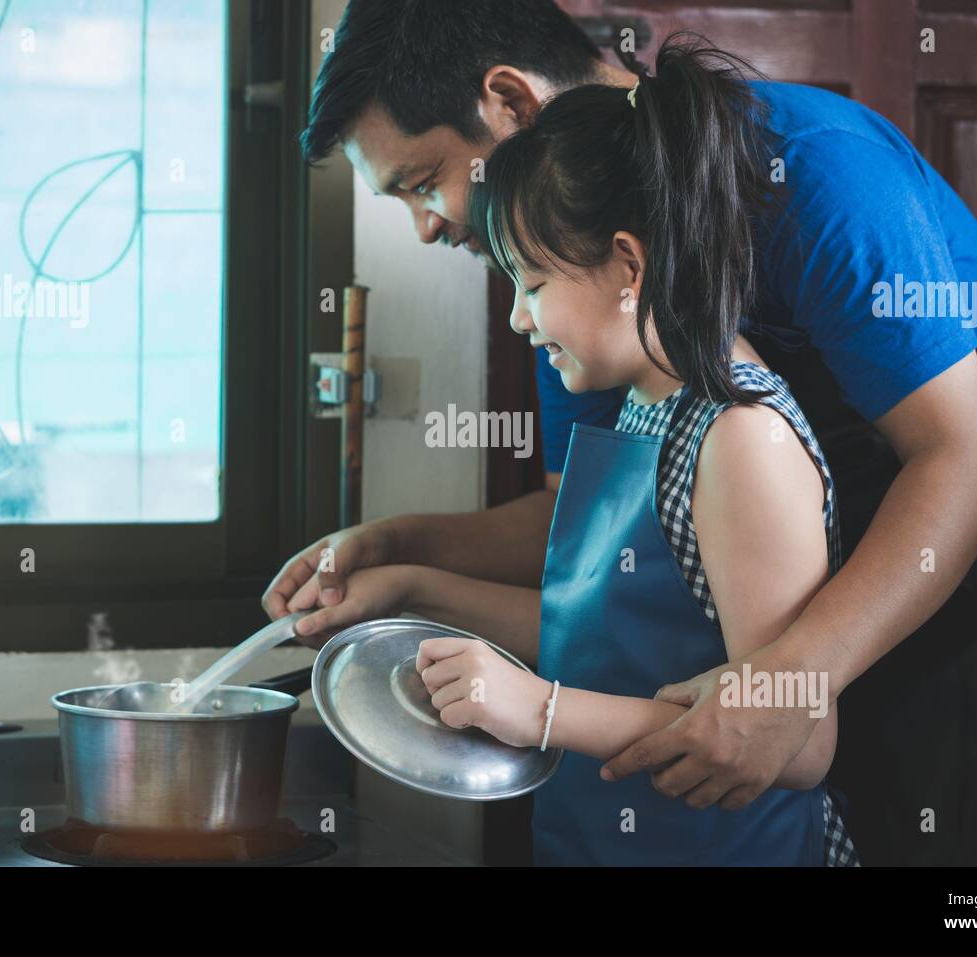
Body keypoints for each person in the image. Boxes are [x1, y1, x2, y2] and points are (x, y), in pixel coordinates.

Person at [271, 0, 977, 864]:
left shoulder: (817, 174)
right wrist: (395, 551)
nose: (424, 226)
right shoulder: (575, 290)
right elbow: (588, 532)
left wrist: (789, 681)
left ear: (511, 103)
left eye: (423, 182)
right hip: (796, 644)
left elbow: (970, 465)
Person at [331, 39, 855, 863]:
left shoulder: (741, 437)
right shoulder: (641, 402)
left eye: (532, 285)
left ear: (628, 267)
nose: (518, 320)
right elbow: (593, 636)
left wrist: (541, 711)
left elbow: (799, 741)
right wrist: (406, 587)